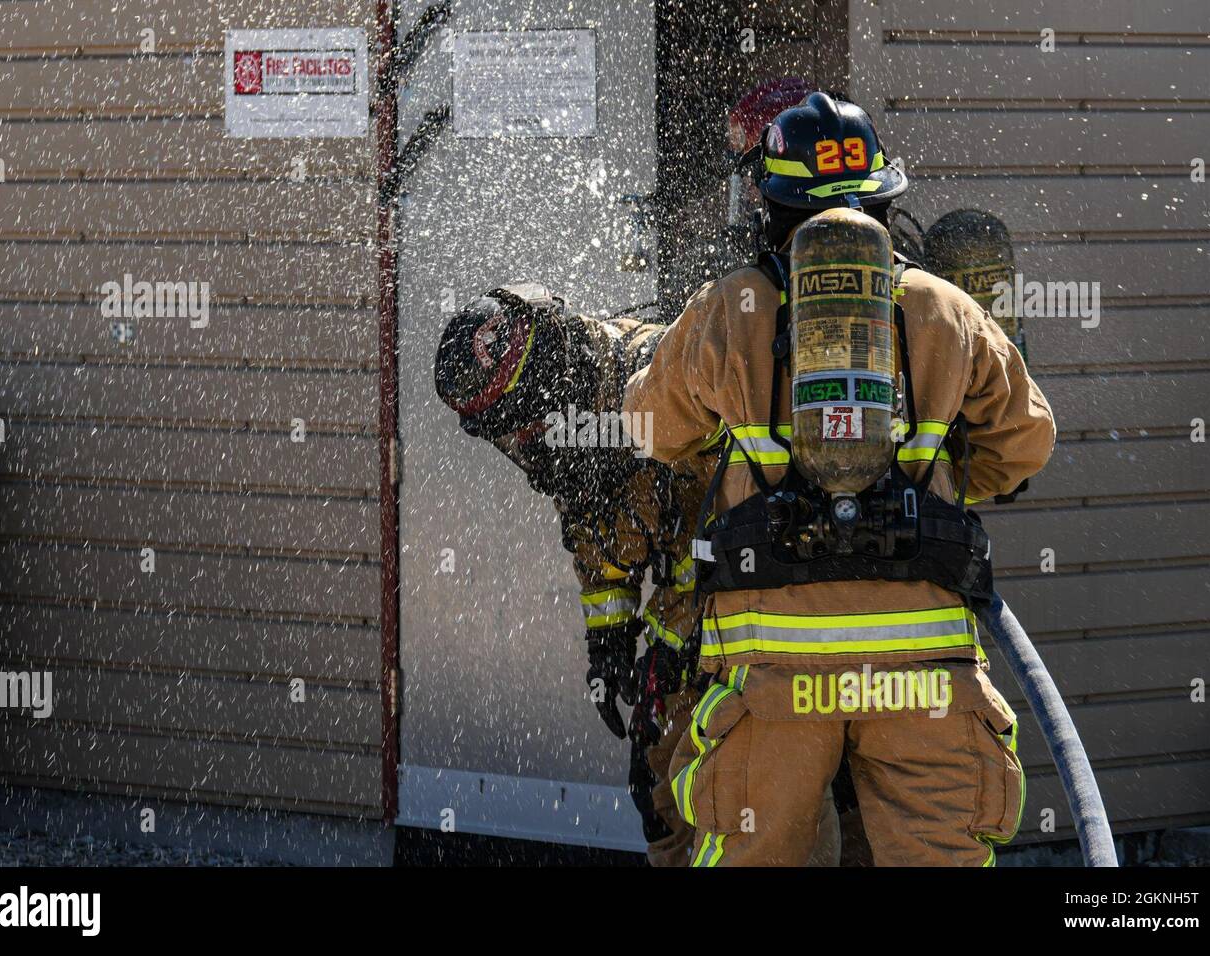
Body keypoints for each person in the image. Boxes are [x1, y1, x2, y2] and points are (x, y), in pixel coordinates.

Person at [624, 92, 1056, 866]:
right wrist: (947, 481)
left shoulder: (731, 307)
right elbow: (1026, 443)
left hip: (771, 678)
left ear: (772, 204)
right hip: (922, 680)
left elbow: (651, 430)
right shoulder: (943, 307)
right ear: (885, 199)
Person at [432, 283, 703, 866]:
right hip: (689, 631)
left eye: (521, 421)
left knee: (722, 790)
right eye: (505, 431)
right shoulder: (569, 440)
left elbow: (729, 542)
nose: (520, 442)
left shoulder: (657, 381)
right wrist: (607, 638)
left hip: (756, 631)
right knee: (656, 787)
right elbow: (602, 544)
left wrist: (676, 646)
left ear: (551, 377)